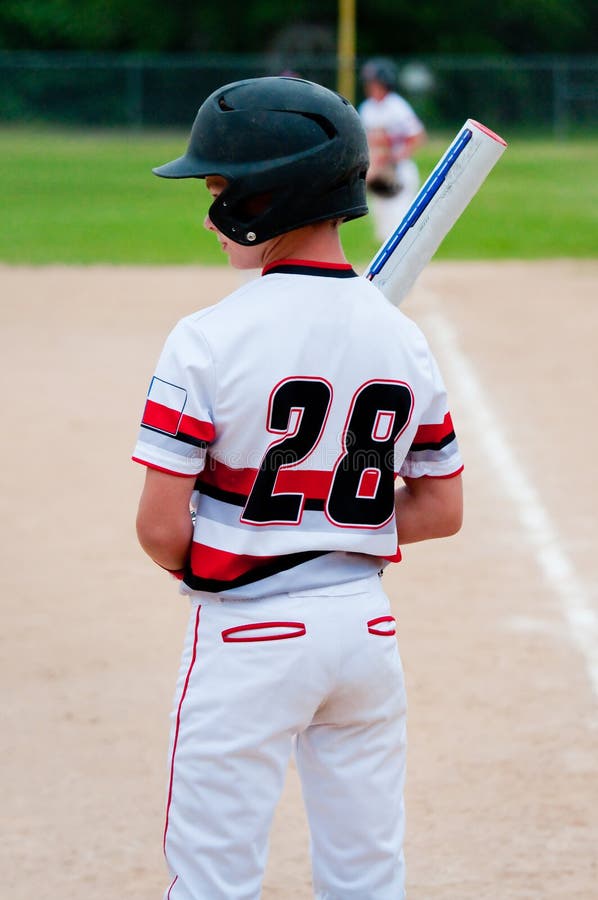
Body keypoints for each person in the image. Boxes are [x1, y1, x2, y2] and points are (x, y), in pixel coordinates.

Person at [133, 75, 463, 900]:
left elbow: (160, 529)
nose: (209, 216)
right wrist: (329, 523)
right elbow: (441, 507)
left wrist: (243, 547)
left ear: (266, 197)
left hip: (246, 633)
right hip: (365, 631)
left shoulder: (206, 339)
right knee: (367, 875)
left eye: (217, 190)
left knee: (213, 879)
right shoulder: (402, 338)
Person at [359, 57, 427, 242]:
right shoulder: (367, 108)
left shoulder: (396, 106)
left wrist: (394, 158)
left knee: (400, 225)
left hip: (399, 171)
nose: (370, 86)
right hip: (379, 172)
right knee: (384, 230)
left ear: (385, 82)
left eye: (374, 82)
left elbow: (417, 136)